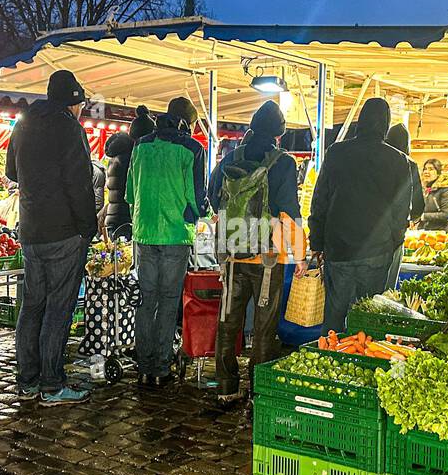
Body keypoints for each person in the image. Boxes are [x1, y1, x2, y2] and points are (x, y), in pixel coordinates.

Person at [7, 69, 97, 405]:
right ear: (73, 102)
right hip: (63, 233)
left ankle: (27, 379)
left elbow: (11, 172)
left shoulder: (24, 123)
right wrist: (87, 228)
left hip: (30, 231)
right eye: (81, 106)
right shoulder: (69, 129)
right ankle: (52, 384)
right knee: (58, 308)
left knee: (32, 306)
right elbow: (79, 185)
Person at [209, 99, 303, 405]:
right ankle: (258, 394)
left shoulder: (229, 158)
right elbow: (289, 212)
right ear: (279, 132)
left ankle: (226, 387)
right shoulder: (282, 163)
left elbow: (213, 198)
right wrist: (299, 254)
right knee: (264, 328)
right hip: (267, 258)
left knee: (228, 322)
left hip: (233, 256)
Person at [309, 97, 414, 334]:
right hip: (376, 252)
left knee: (334, 316)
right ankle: (363, 364)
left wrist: (316, 241)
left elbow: (320, 201)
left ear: (360, 120)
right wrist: (393, 241)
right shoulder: (397, 160)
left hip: (338, 249)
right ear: (385, 124)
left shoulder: (337, 152)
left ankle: (331, 360)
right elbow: (402, 211)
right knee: (367, 317)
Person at [127, 96, 207, 387]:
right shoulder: (192, 148)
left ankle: (144, 367)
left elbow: (129, 192)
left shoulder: (141, 145)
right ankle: (160, 367)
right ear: (187, 121)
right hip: (175, 234)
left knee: (147, 301)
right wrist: (201, 213)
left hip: (144, 234)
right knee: (168, 300)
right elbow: (197, 198)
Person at [102, 105, 155, 240]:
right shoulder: (135, 157)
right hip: (128, 221)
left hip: (114, 217)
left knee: (117, 258)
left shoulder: (118, 156)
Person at [384, 123, 424, 290]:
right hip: (395, 234)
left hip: (368, 233)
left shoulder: (376, 159)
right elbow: (418, 205)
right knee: (387, 287)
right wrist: (413, 218)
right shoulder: (409, 164)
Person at [418, 158, 448, 231]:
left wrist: (423, 216)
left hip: (441, 231)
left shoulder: (446, 188)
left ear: (438, 172)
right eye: (425, 169)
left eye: (431, 169)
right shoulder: (423, 187)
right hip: (424, 230)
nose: (426, 172)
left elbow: (446, 214)